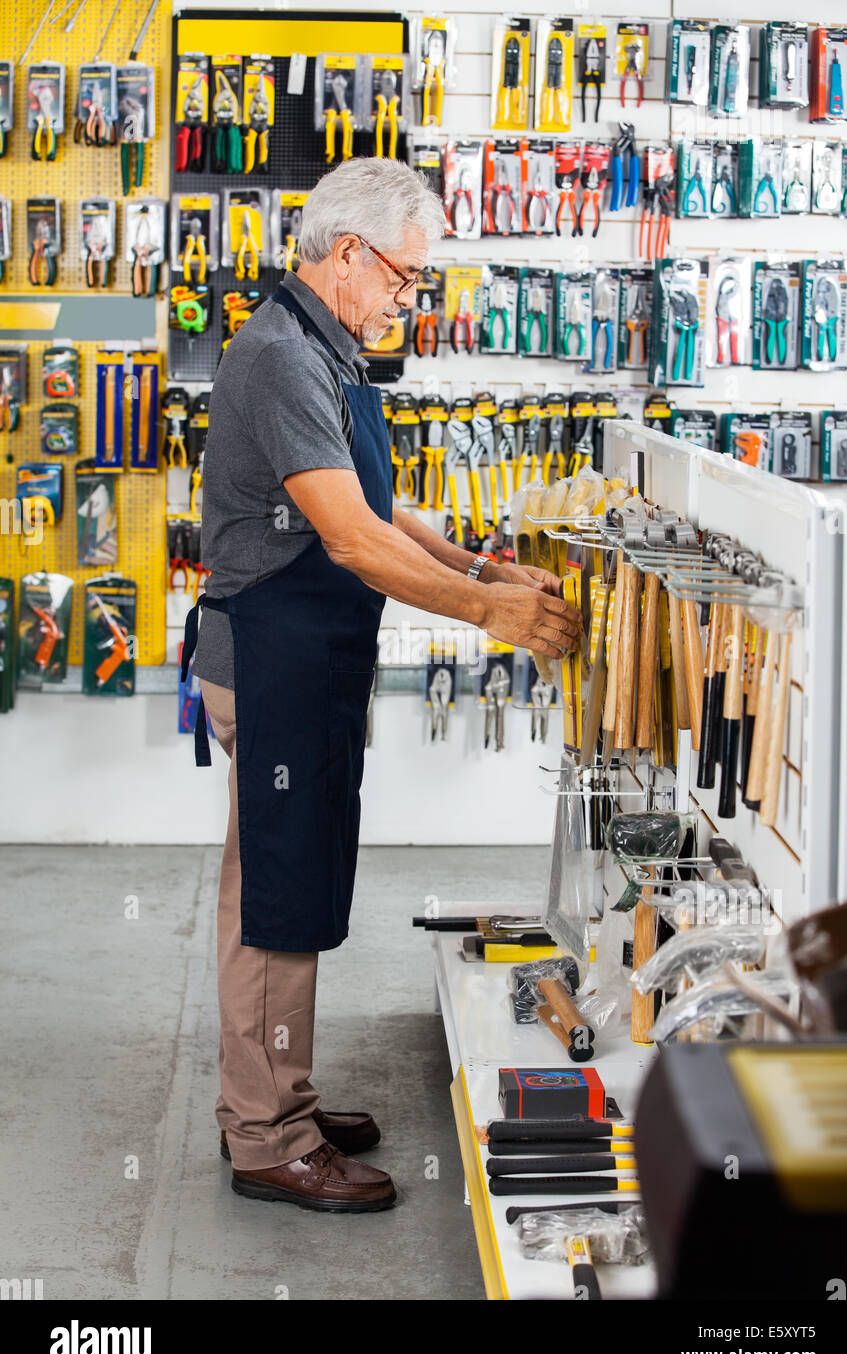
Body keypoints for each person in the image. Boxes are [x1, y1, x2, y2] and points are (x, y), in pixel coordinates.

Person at [181, 158, 580, 1214]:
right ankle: (266, 1136)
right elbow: (352, 541)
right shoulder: (277, 356)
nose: (411, 298)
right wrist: (489, 616)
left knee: (294, 882)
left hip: (305, 663)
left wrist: (481, 570)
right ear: (350, 253)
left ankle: (285, 1096)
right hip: (268, 663)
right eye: (405, 277)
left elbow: (380, 506)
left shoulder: (327, 348)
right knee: (270, 900)